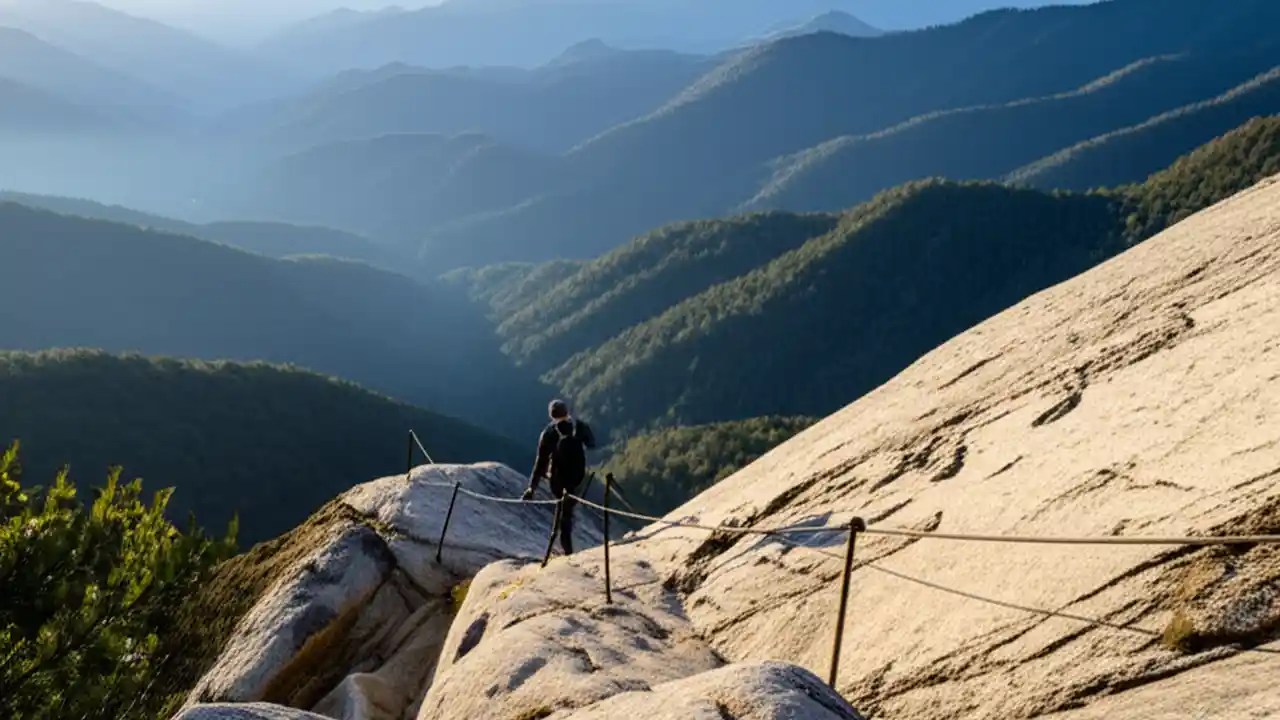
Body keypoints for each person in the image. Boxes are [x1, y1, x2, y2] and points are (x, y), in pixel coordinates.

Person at [522, 398, 596, 555]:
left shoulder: (548, 433)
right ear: (566, 411)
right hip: (577, 479)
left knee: (563, 514)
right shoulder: (579, 426)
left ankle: (566, 550)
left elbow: (540, 462)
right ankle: (566, 546)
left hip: (557, 481)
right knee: (567, 514)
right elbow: (592, 444)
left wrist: (531, 488)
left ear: (551, 415)